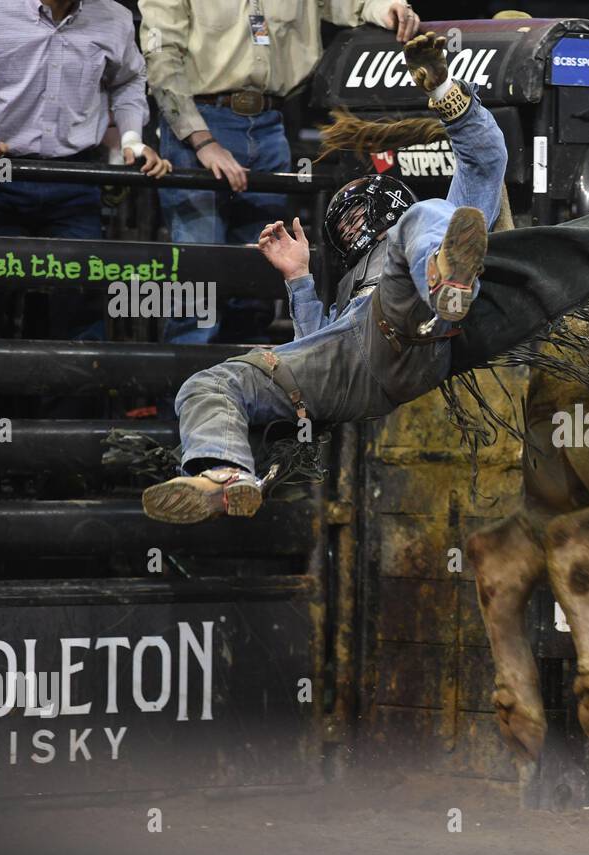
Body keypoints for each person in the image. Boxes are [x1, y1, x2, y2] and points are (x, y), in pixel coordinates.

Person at [142, 32, 503, 523]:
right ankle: (226, 475)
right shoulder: (348, 283)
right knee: (208, 383)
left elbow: (484, 161)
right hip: (353, 359)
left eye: (360, 214)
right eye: (345, 222)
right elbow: (314, 349)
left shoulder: (422, 223)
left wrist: (441, 88)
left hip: (419, 318)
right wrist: (298, 279)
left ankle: (445, 284)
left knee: (430, 216)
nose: (355, 224)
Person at [138, 0, 423, 344]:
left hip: (270, 123)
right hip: (199, 122)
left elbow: (354, 3)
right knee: (199, 283)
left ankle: (244, 393)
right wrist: (202, 141)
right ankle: (187, 397)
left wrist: (389, 8)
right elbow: (161, 55)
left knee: (257, 282)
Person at [0, 0, 170, 340]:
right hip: (1, 171)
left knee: (81, 298)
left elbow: (129, 80)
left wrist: (131, 138)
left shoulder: (113, 18)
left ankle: (74, 393)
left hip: (76, 175)